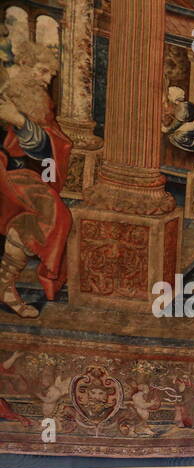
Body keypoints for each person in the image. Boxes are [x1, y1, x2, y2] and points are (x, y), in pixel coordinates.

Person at [0, 44, 71, 319]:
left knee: (50, 212)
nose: (45, 80)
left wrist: (19, 121)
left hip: (16, 174)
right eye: (42, 71)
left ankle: (5, 283)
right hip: (8, 173)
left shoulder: (33, 104)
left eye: (50, 75)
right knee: (46, 208)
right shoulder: (9, 92)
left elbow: (47, 145)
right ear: (24, 67)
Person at [162, 86, 194, 153]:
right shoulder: (183, 105)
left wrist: (167, 129)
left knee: (176, 137)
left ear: (174, 100)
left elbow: (176, 125)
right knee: (173, 135)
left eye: (168, 99)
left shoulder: (182, 107)